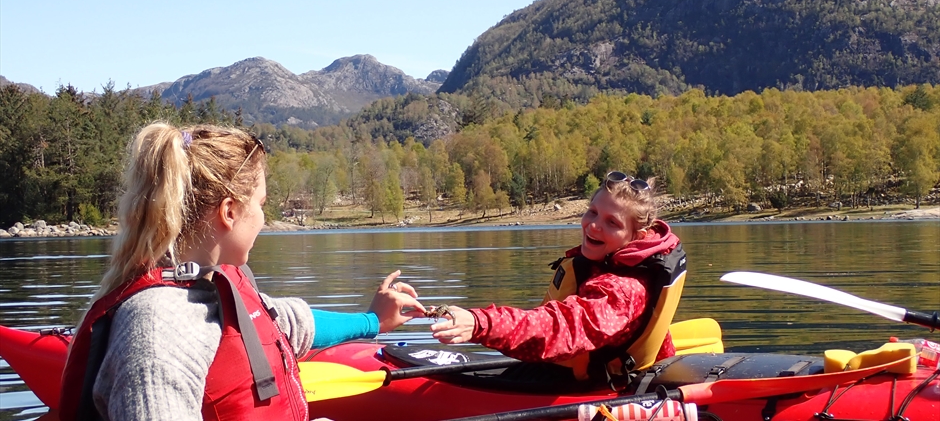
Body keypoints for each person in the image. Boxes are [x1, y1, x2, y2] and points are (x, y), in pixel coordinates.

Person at [59, 123, 426, 421]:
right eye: (262, 204)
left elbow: (287, 323)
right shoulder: (157, 327)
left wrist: (372, 320)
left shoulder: (221, 283)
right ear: (229, 211)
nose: (264, 219)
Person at [430, 172, 686, 388]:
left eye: (612, 222)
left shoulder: (623, 290)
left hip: (590, 387)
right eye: (593, 212)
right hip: (576, 373)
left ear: (636, 235)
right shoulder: (619, 262)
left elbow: (560, 328)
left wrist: (480, 323)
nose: (593, 225)